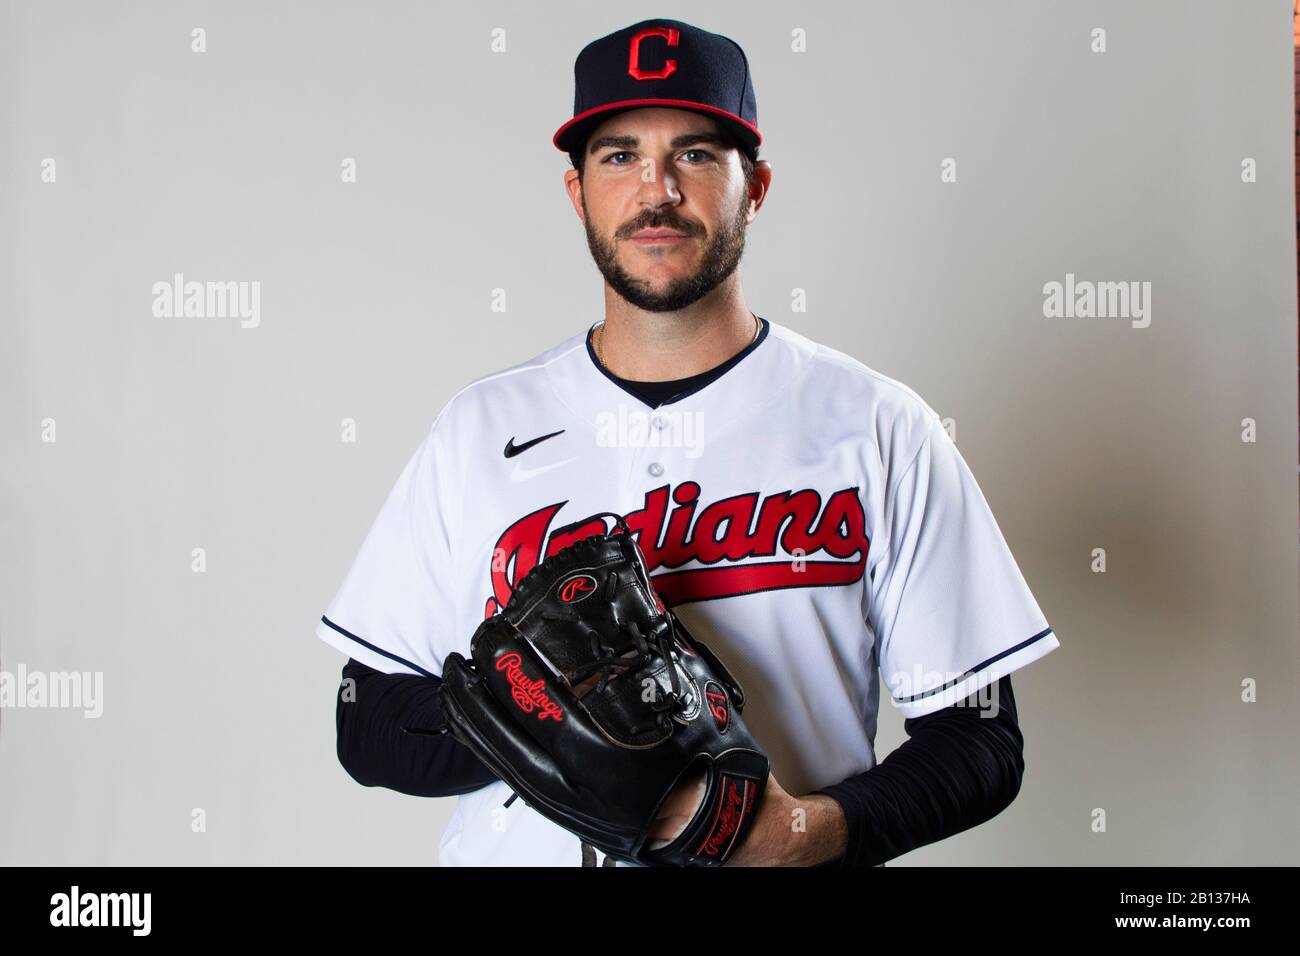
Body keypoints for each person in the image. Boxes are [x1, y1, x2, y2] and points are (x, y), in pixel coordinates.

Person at [317, 18, 1059, 867]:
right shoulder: (479, 428)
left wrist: (805, 838)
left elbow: (980, 743)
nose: (657, 189)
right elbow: (363, 719)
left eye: (697, 155)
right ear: (578, 193)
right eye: (620, 155)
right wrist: (540, 714)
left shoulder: (880, 427)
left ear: (759, 186)